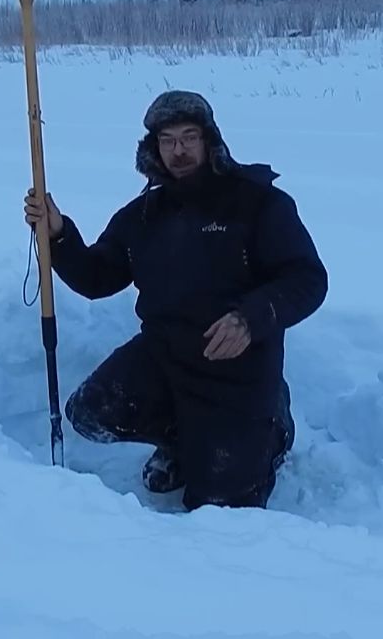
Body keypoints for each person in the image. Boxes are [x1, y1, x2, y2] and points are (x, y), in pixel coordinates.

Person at [23, 90, 328, 511]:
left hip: (238, 373)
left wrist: (251, 319)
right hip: (165, 358)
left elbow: (307, 278)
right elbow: (97, 277)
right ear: (154, 149)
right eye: (168, 140)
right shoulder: (143, 215)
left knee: (218, 505)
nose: (179, 150)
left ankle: (272, 429)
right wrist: (58, 234)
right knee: (90, 413)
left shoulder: (258, 203)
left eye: (189, 137)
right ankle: (182, 441)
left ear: (209, 141)